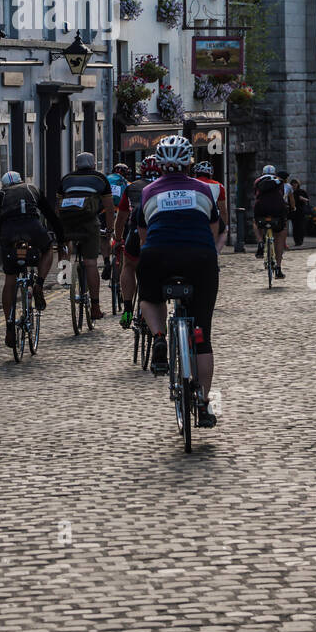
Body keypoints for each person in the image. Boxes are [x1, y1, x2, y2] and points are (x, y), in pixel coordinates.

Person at [135, 135, 220, 427]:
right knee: (203, 338)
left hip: (159, 255)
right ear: (190, 163)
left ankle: (159, 337)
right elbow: (213, 229)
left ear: (158, 165)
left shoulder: (148, 192)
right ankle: (205, 406)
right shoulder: (204, 190)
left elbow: (144, 239)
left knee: (149, 295)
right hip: (199, 258)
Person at [0, 171, 65, 349]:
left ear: (4, 186)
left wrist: (4, 243)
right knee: (48, 248)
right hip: (32, 227)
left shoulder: (0, 196)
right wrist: (61, 237)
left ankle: (9, 326)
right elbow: (50, 215)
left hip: (8, 232)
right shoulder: (32, 189)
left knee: (10, 280)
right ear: (21, 181)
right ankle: (39, 283)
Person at [56, 152, 115, 320]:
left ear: (76, 165)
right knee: (90, 263)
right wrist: (109, 230)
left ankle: (65, 276)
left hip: (67, 220)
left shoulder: (66, 179)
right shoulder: (100, 179)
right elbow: (109, 208)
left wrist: (58, 229)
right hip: (89, 222)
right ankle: (95, 307)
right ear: (93, 165)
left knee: (65, 244)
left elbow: (57, 207)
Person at [114, 154, 160, 328]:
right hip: (159, 234)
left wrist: (118, 239)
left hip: (135, 233)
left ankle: (127, 310)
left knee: (128, 266)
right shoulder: (165, 186)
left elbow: (122, 217)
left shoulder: (132, 188)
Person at [252, 163, 293, 279]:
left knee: (255, 222)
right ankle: (278, 268)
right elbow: (283, 196)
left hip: (261, 208)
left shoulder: (258, 181)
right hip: (277, 209)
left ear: (263, 173)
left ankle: (260, 241)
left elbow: (255, 195)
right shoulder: (279, 181)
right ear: (274, 173)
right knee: (280, 235)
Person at [194, 160, 230, 253]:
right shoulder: (219, 186)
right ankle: (215, 253)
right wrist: (225, 225)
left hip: (194, 215)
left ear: (196, 173)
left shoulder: (191, 183)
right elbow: (223, 210)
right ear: (210, 174)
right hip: (211, 217)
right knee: (223, 233)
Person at [289, 178, 310, 247]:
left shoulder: (301, 191)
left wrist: (303, 199)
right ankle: (296, 241)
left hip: (301, 212)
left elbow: (307, 200)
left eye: (295, 184)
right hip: (293, 212)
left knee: (300, 227)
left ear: (298, 184)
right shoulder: (290, 192)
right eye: (292, 184)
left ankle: (300, 241)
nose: (294, 185)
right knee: (295, 227)